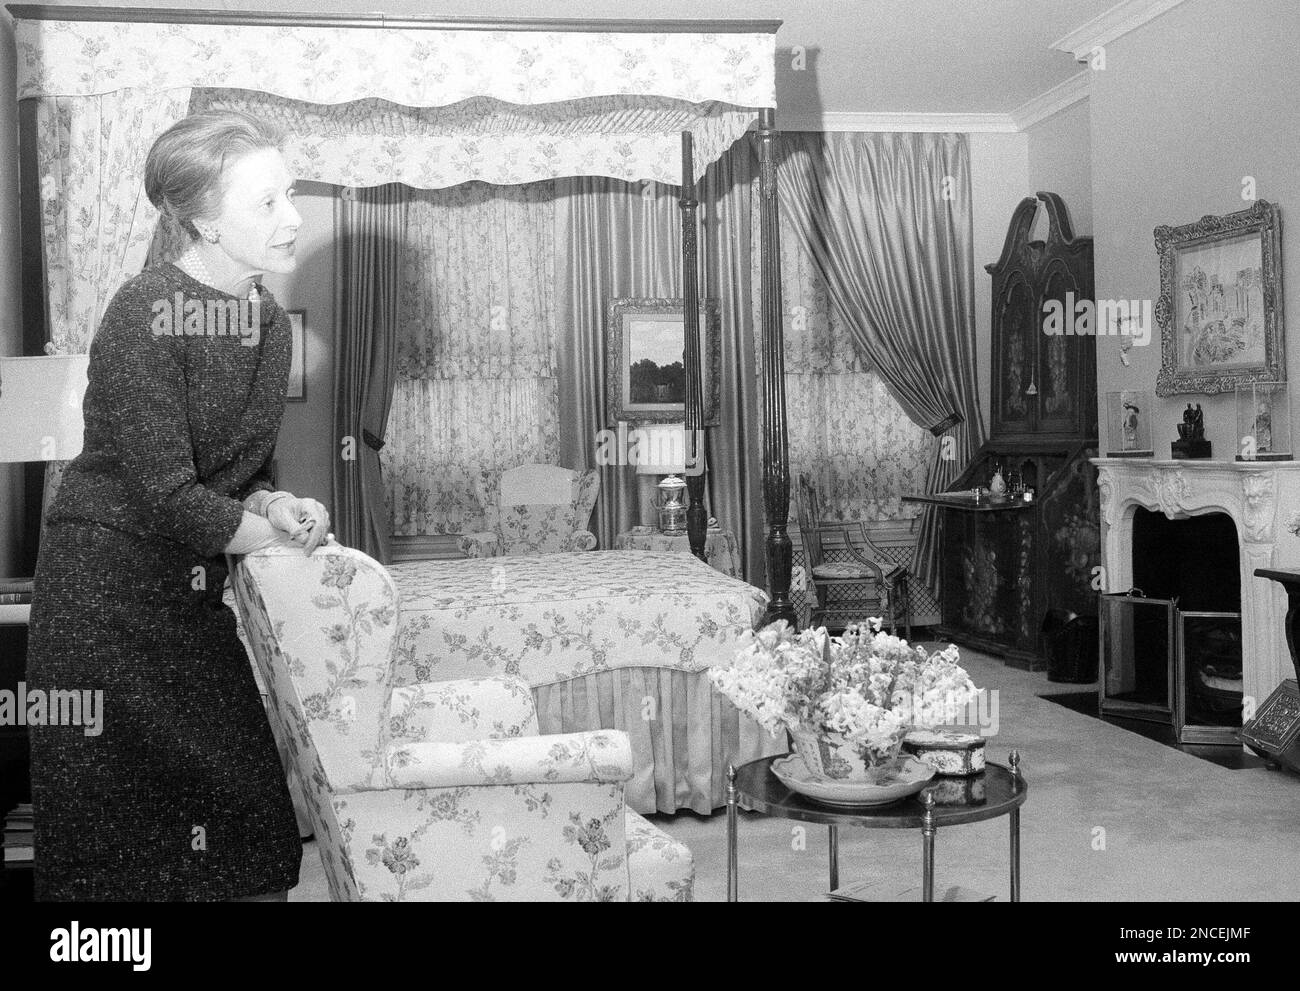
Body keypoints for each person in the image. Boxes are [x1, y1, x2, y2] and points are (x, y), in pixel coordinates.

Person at [27, 110, 328, 901]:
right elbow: (168, 495)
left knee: (250, 820)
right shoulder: (144, 312)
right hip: (103, 600)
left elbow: (239, 474)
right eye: (266, 202)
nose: (292, 216)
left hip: (189, 597)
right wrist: (269, 531)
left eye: (288, 194)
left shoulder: (266, 321)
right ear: (201, 219)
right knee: (112, 841)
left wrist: (283, 504)